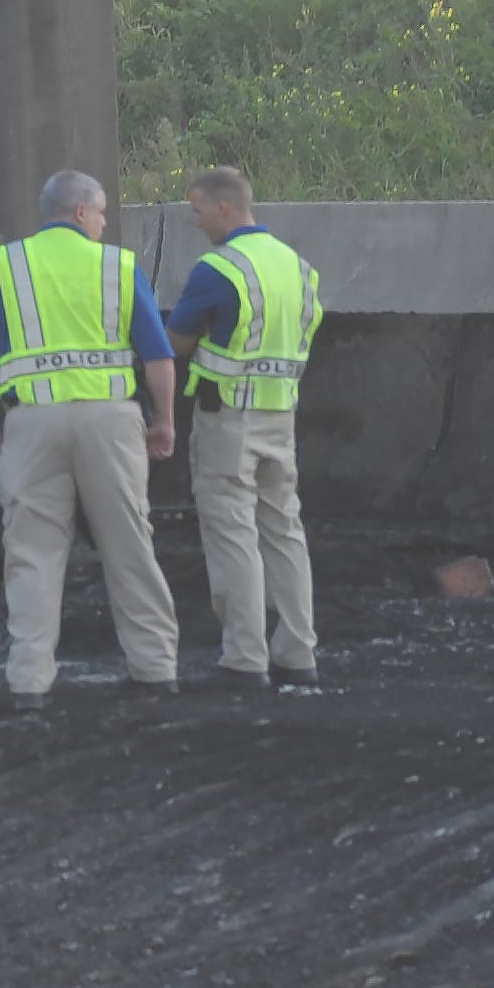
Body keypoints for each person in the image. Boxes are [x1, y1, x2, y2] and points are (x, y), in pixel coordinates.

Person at [0, 170, 184, 712]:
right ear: (81, 212)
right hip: (111, 423)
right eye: (102, 213)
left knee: (32, 552)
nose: (105, 223)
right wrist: (165, 421)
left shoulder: (5, 266)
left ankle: (30, 683)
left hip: (32, 424)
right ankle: (155, 671)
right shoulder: (119, 267)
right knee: (129, 543)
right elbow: (157, 356)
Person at [167, 167, 324, 690]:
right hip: (281, 416)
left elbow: (178, 345)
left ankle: (244, 658)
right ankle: (298, 653)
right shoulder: (299, 268)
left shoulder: (218, 269)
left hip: (227, 418)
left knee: (233, 534)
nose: (195, 222)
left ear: (224, 208)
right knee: (285, 531)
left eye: (197, 211)